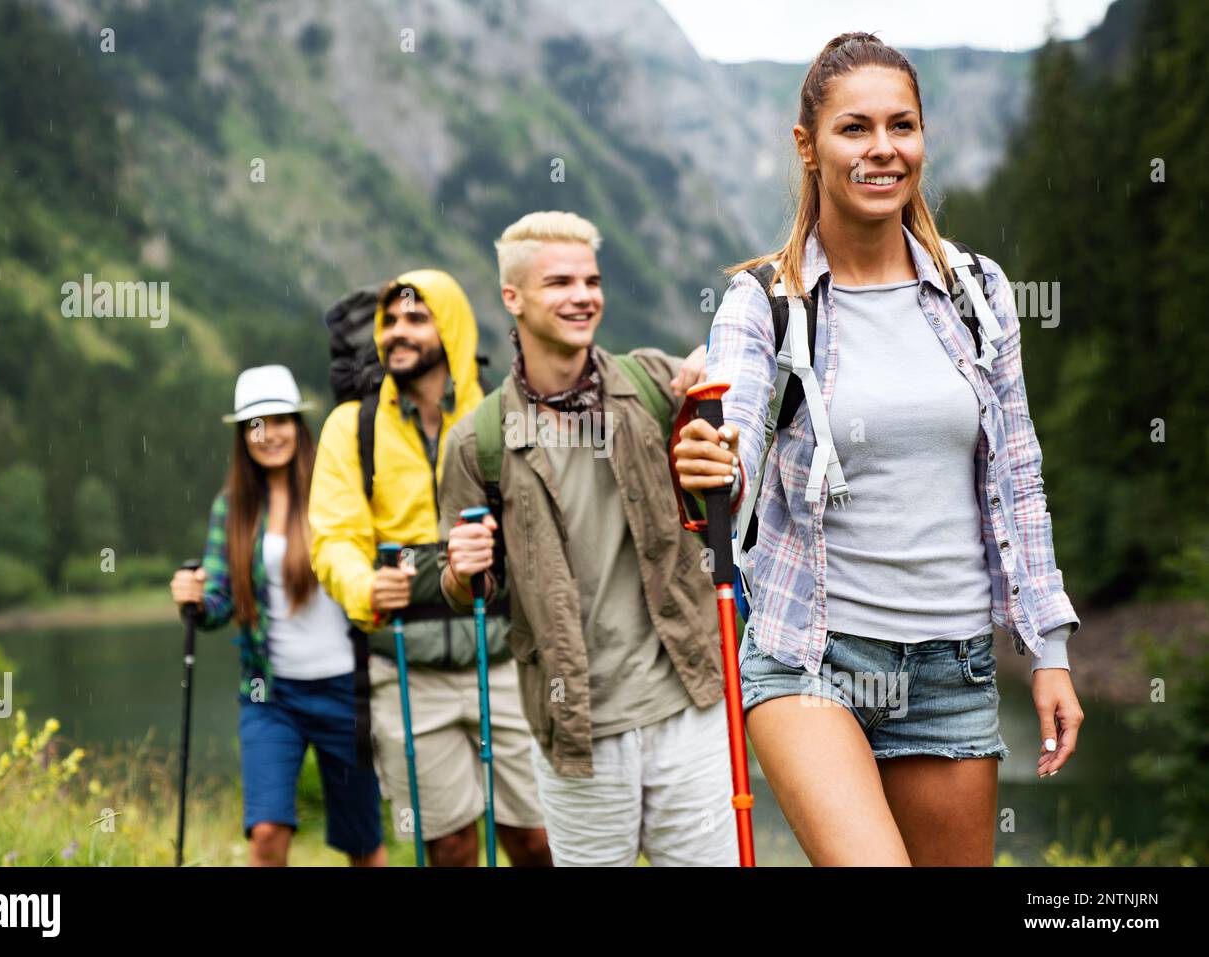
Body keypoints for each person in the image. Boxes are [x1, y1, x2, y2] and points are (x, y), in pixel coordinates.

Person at [674, 32, 1083, 866]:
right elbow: (736, 442)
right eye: (854, 128)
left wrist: (1049, 651)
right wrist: (713, 464)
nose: (882, 149)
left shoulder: (979, 294)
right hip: (810, 654)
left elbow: (1018, 475)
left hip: (955, 667)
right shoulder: (763, 304)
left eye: (902, 126)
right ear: (808, 145)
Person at [438, 210, 736, 867]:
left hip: (689, 708)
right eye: (560, 281)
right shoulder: (476, 442)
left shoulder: (660, 386)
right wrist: (461, 572)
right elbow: (467, 590)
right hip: (576, 731)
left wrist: (720, 401)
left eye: (592, 279)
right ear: (512, 298)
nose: (583, 295)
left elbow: (729, 497)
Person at [309, 269, 551, 867]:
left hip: (507, 662)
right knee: (446, 846)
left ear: (450, 329)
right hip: (404, 668)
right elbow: (332, 537)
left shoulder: (502, 415)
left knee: (538, 838)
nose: (397, 332)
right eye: (389, 321)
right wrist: (364, 585)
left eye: (416, 319)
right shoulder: (351, 427)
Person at [169, 364, 385, 867]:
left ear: (298, 425)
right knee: (266, 833)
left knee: (364, 844)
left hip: (346, 689)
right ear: (243, 437)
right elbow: (219, 603)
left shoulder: (336, 491)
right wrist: (196, 599)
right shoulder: (232, 508)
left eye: (280, 420)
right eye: (256, 425)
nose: (270, 435)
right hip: (270, 694)